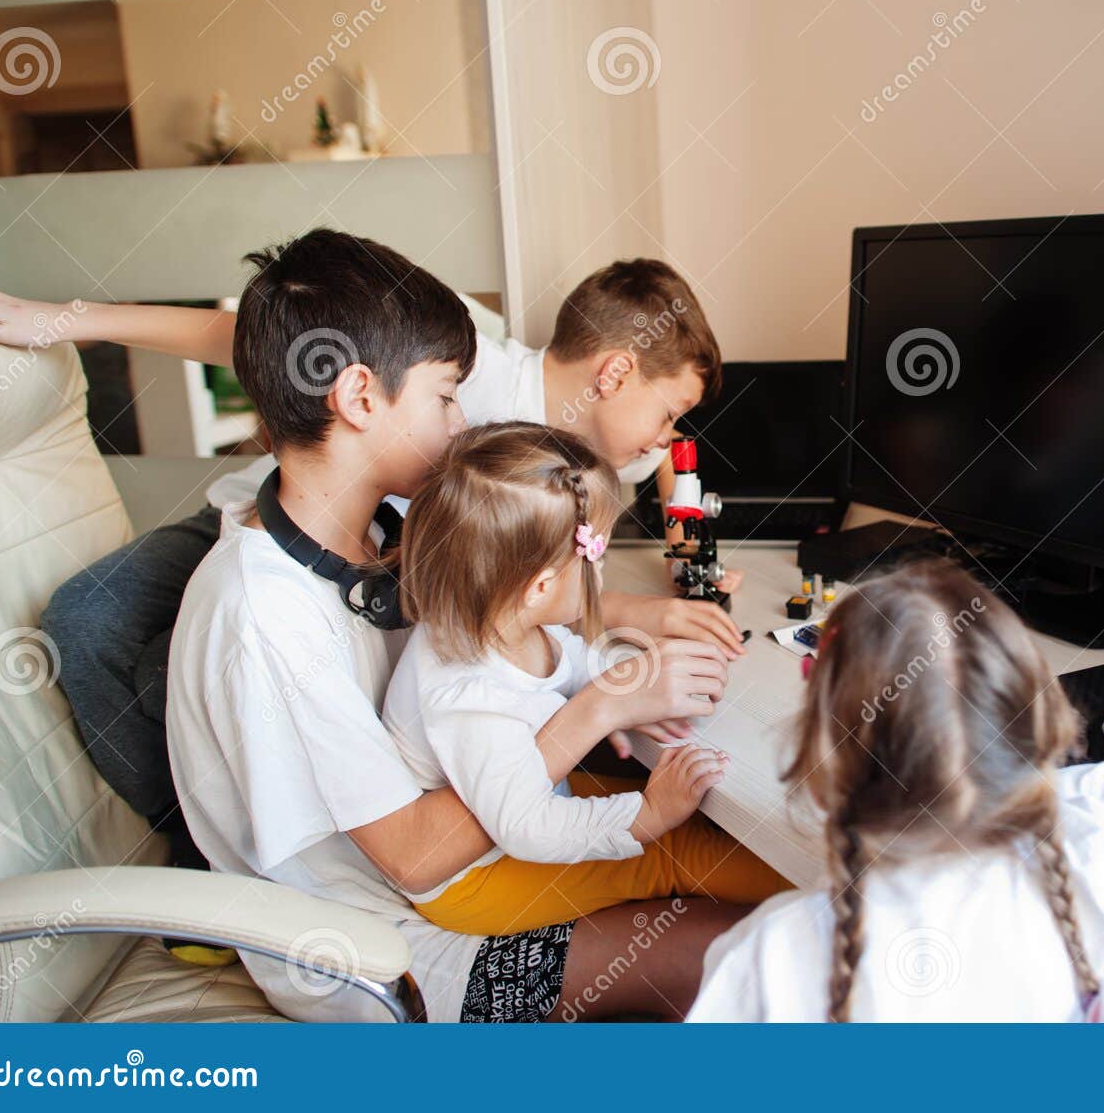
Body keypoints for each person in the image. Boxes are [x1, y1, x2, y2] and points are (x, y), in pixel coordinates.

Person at [156, 229, 748, 1022]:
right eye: (444, 396)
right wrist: (597, 707)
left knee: (713, 844)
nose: (461, 422)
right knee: (735, 946)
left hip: (463, 869)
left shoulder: (382, 536)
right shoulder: (263, 614)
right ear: (360, 397)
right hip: (386, 952)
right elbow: (415, 854)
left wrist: (613, 680)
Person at [0, 249, 743, 851]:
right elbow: (262, 338)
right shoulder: (468, 366)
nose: (667, 437)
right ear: (615, 371)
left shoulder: (616, 450)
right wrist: (73, 319)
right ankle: (188, 847)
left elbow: (632, 510)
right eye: (668, 412)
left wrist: (684, 575)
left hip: (366, 560)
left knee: (177, 680)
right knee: (93, 624)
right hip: (289, 521)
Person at [685, 560, 1104, 1022]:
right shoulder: (1092, 869)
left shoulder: (768, 957)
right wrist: (1008, 782)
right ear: (1035, 720)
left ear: (825, 755)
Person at [383, 421, 788, 937]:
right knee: (683, 850)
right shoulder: (469, 698)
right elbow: (526, 826)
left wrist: (632, 687)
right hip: (478, 879)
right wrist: (648, 814)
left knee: (700, 822)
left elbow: (571, 662)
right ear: (539, 587)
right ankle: (831, 903)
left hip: (528, 803)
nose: (602, 574)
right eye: (596, 558)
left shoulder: (504, 617)